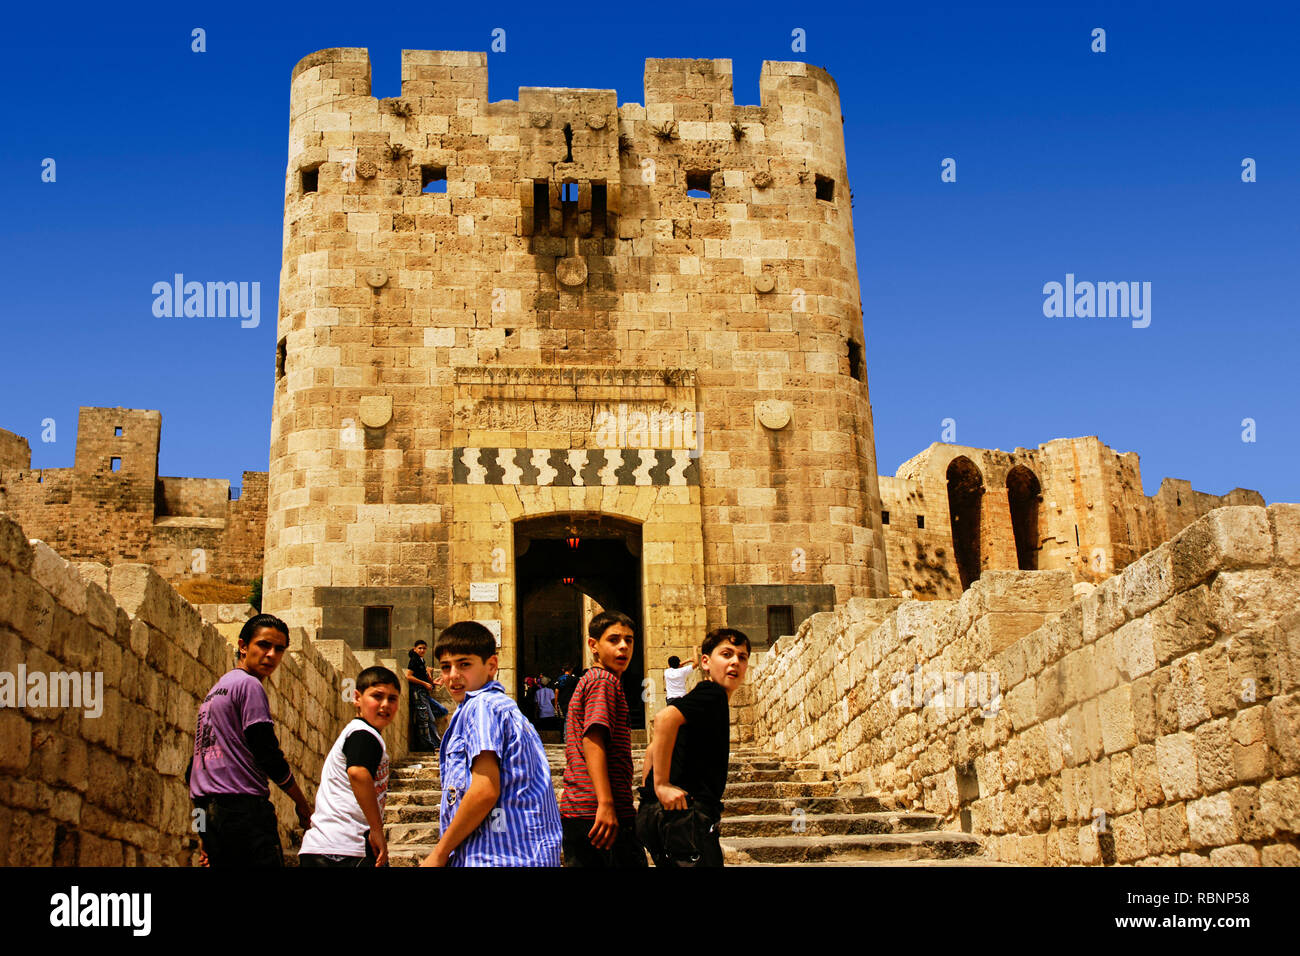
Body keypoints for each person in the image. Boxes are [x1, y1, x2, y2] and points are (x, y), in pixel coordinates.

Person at [420, 622, 561, 867]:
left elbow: (484, 790)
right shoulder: (504, 707)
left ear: (491, 666)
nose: (453, 675)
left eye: (464, 664)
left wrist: (440, 853)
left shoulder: (482, 706)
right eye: (446, 667)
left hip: (495, 855)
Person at [188, 614, 313, 867]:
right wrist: (301, 803)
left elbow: (195, 764)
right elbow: (266, 752)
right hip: (244, 810)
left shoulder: (216, 690)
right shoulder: (249, 686)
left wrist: (203, 833)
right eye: (264, 645)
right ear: (243, 646)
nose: (271, 655)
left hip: (209, 811)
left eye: (279, 649)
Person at [636, 628, 751, 867]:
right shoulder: (713, 694)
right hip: (686, 815)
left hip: (665, 815)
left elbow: (651, 749)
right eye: (727, 654)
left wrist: (649, 798)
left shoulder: (703, 698)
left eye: (742, 657)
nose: (734, 662)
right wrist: (661, 785)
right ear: (706, 662)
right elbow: (664, 719)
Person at [559, 611, 646, 867]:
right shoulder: (603, 681)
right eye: (614, 639)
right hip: (598, 813)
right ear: (593, 645)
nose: (623, 647)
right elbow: (593, 740)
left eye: (629, 640)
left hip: (583, 808)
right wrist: (606, 804)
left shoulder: (594, 679)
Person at [299, 666, 400, 867]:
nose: (385, 705)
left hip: (324, 848)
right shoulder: (364, 734)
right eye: (377, 696)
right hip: (346, 850)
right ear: (357, 698)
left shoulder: (355, 732)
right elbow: (358, 772)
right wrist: (377, 830)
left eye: (392, 699)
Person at [406, 639, 447, 751]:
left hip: (424, 693)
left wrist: (432, 681)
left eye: (424, 648)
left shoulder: (421, 661)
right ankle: (433, 745)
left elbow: (422, 676)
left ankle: (433, 742)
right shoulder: (414, 660)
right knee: (427, 719)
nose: (422, 650)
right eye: (419, 648)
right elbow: (408, 676)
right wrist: (425, 683)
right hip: (418, 693)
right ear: (415, 649)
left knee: (440, 712)